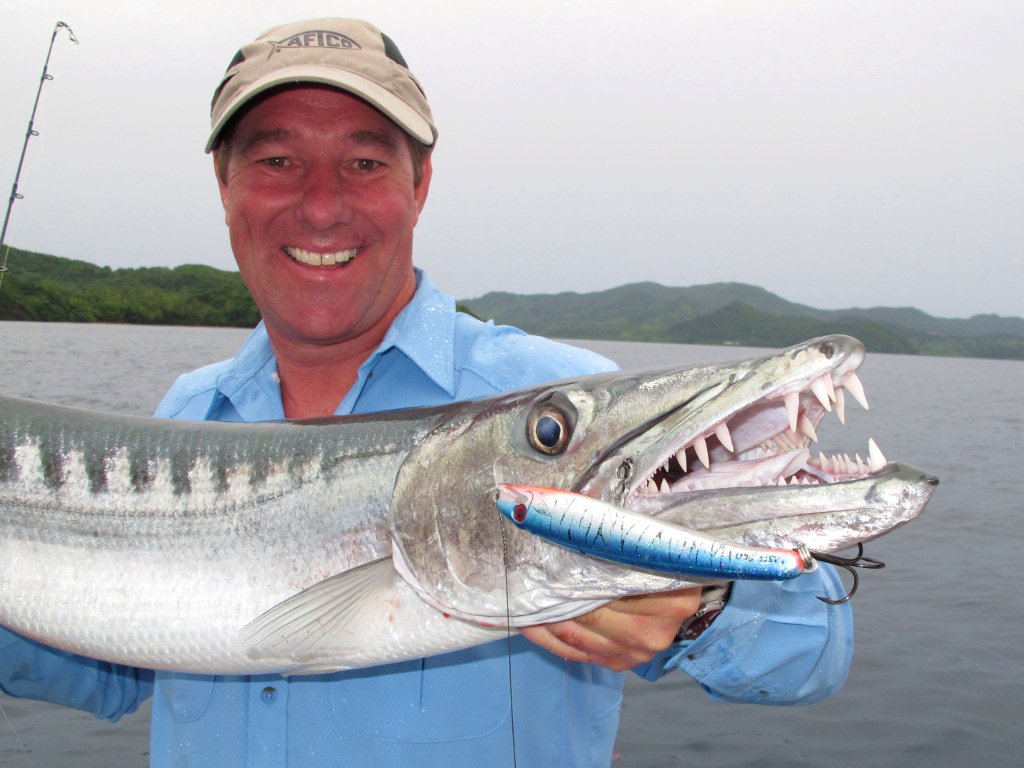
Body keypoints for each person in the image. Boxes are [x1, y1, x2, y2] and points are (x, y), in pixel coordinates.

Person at [0, 18, 853, 767]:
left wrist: (702, 604)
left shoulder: (548, 399)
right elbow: (99, 671)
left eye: (365, 161)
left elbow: (814, 650)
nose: (322, 205)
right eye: (278, 159)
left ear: (420, 184)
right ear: (228, 188)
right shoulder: (190, 414)